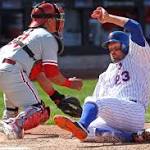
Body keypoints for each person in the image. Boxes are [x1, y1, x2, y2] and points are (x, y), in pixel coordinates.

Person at [54, 6, 150, 143]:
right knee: (88, 131)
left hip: (133, 110)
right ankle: (134, 136)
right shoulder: (106, 73)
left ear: (127, 47)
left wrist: (109, 18)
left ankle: (81, 125)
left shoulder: (138, 58)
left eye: (116, 47)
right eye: (110, 49)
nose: (113, 51)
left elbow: (135, 27)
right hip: (115, 114)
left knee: (91, 105)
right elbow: (97, 99)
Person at [0, 1, 83, 139]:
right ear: (49, 20)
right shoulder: (47, 37)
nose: (59, 22)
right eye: (57, 18)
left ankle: (8, 117)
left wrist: (56, 96)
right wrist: (70, 83)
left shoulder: (29, 35)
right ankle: (14, 124)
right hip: (12, 70)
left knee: (17, 91)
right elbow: (52, 74)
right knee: (40, 111)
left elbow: (38, 73)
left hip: (7, 68)